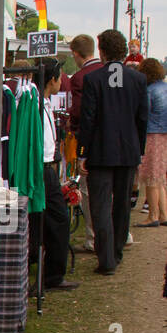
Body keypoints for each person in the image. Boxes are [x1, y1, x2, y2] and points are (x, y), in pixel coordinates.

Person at [78, 29, 148, 276]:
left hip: (100, 151)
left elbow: (88, 119)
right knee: (121, 206)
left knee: (100, 205)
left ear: (102, 51)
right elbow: (142, 118)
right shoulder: (138, 80)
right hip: (128, 151)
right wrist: (139, 150)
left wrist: (82, 152)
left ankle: (106, 258)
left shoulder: (93, 79)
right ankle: (117, 251)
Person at [36, 59, 77, 291]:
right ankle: (53, 276)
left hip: (47, 166)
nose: (62, 81)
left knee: (55, 218)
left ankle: (52, 273)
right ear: (52, 80)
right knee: (58, 218)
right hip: (43, 167)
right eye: (60, 77)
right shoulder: (37, 104)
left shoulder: (43, 103)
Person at [68, 34, 103, 252]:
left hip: (89, 141)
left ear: (76, 54)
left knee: (88, 192)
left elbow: (80, 111)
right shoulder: (106, 72)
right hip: (110, 142)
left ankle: (92, 237)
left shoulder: (80, 77)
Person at [134, 57, 167, 227]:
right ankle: (163, 214)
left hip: (152, 135)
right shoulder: (165, 88)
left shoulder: (149, 91)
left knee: (150, 176)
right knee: (160, 176)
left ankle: (152, 215)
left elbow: (143, 115)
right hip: (164, 135)